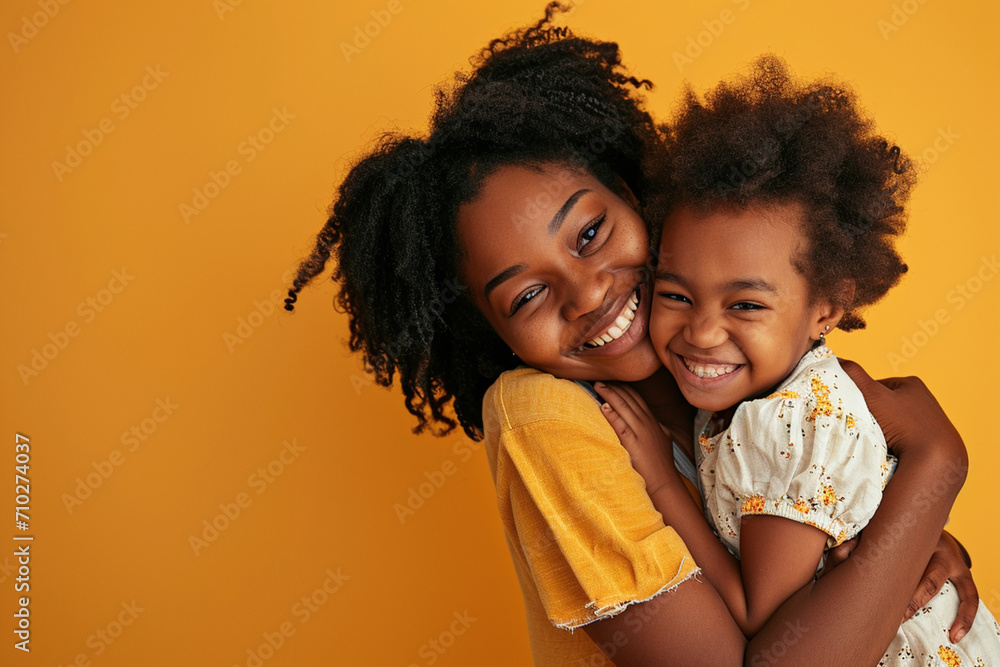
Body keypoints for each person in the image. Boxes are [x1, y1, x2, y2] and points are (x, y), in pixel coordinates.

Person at [284, 5, 978, 664]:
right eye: (526, 295)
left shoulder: (738, 376)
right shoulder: (541, 414)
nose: (587, 293)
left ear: (634, 189)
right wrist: (936, 466)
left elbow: (834, 552)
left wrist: (906, 558)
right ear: (492, 331)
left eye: (590, 232)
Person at [595, 55, 999, 666]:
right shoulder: (753, 398)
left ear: (825, 310)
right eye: (676, 294)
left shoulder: (788, 423)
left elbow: (761, 620)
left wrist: (656, 478)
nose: (702, 331)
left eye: (747, 304)